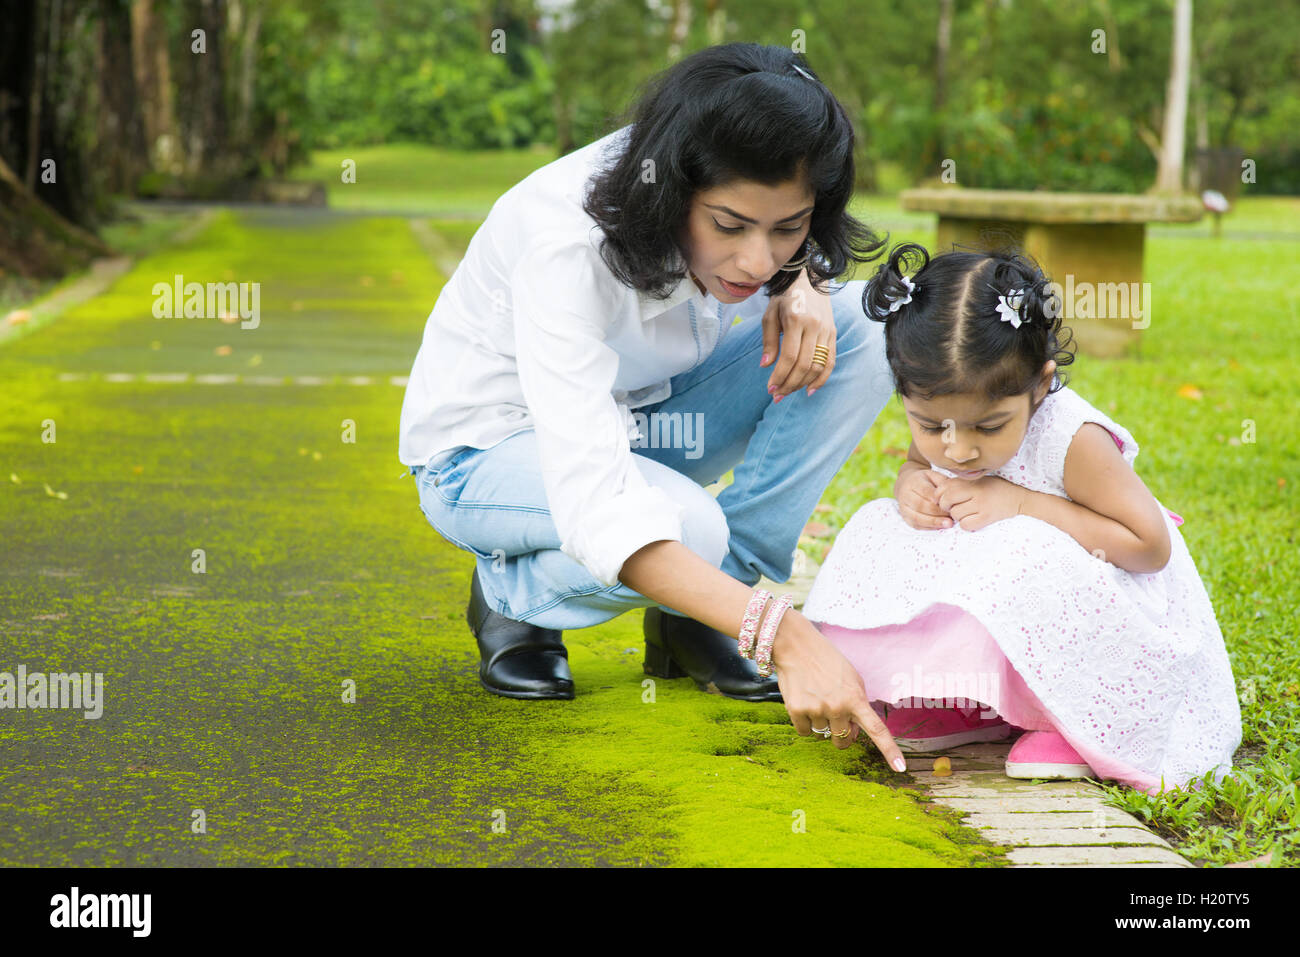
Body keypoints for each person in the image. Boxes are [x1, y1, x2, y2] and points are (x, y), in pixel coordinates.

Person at [398, 43, 909, 773]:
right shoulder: (566, 245)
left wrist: (810, 279)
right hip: (487, 451)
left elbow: (786, 248)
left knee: (867, 323)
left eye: (787, 227)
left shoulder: (755, 216)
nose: (758, 261)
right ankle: (510, 589)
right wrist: (785, 635)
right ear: (672, 190)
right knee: (685, 529)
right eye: (729, 227)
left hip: (641, 416)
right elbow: (596, 497)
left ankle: (702, 611)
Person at [801, 242, 1242, 793]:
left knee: (1022, 548)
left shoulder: (1072, 440)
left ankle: (1069, 722)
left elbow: (1150, 547)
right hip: (1019, 587)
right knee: (883, 525)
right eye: (931, 425)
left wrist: (1022, 505)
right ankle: (967, 700)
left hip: (1112, 607)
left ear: (1038, 384)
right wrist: (912, 485)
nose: (956, 450)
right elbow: (920, 466)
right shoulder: (948, 424)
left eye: (988, 427)